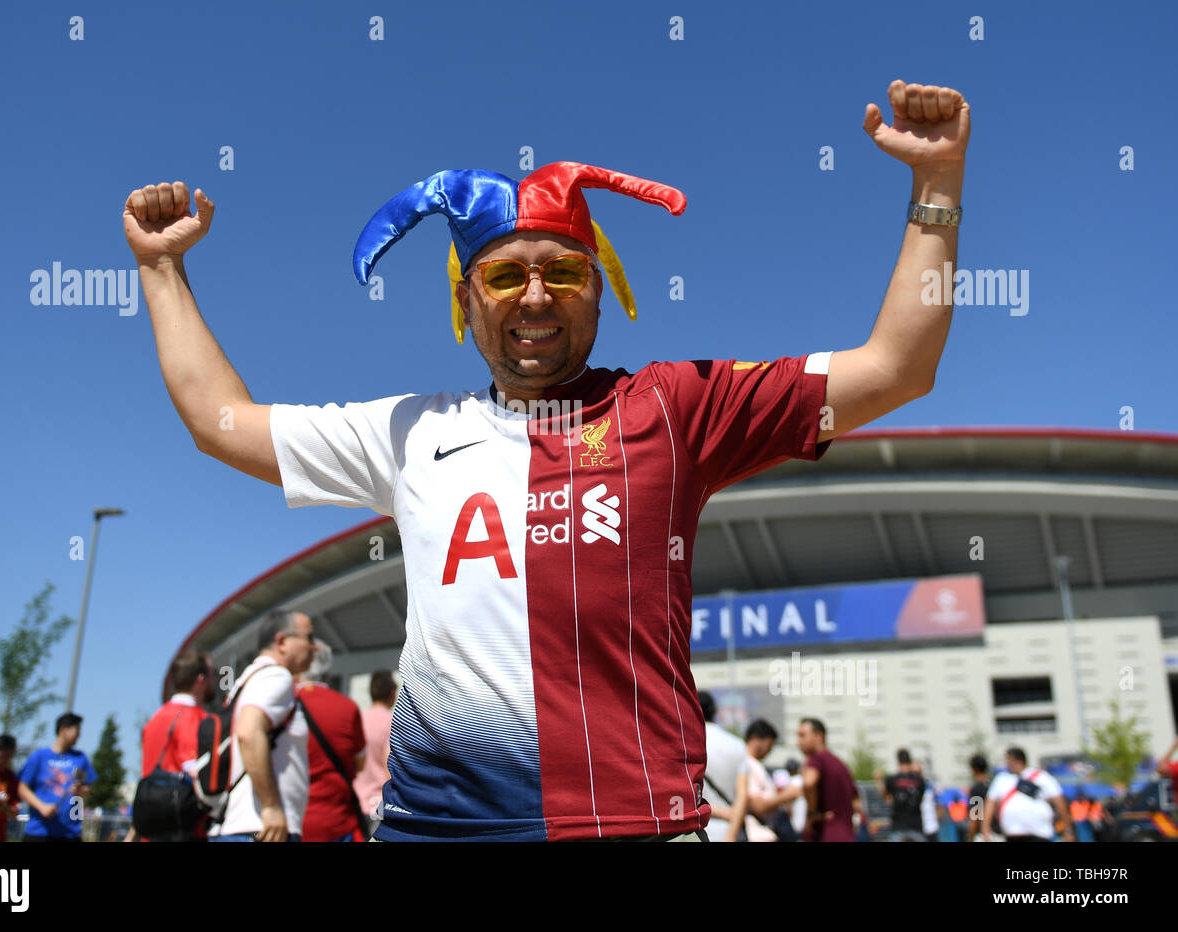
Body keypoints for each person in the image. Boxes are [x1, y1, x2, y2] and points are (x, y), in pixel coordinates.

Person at [126, 79, 969, 840]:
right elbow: (220, 421)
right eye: (505, 278)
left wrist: (936, 185)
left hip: (630, 824)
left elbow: (898, 366)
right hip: (433, 828)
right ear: (465, 299)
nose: (535, 296)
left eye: (564, 272)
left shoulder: (675, 408)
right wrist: (162, 271)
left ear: (600, 288)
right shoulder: (411, 431)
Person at [211, 610, 315, 843]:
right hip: (262, 829)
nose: (314, 647)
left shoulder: (246, 680)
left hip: (240, 826)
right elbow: (248, 732)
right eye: (309, 637)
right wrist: (271, 806)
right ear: (282, 641)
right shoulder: (276, 677)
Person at [127, 649, 217, 842]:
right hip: (183, 828)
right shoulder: (194, 717)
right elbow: (194, 771)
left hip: (152, 827)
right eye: (212, 675)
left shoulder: (155, 718)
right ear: (200, 681)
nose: (214, 681)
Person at [296, 643, 368, 842]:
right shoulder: (348, 707)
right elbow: (360, 763)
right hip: (339, 823)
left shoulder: (286, 705)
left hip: (295, 822)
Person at [17, 712, 96, 842]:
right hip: (39, 831)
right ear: (63, 730)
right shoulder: (39, 757)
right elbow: (22, 788)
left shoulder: (80, 759)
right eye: (77, 730)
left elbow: (86, 789)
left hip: (70, 832)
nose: (79, 735)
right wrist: (42, 807)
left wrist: (80, 790)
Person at [724, 719, 802, 842]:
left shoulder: (752, 764)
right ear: (756, 739)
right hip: (757, 834)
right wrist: (785, 796)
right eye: (769, 745)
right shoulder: (746, 764)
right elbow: (756, 805)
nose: (769, 750)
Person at [982, 747, 1074, 842]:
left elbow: (1059, 802)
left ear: (1019, 760)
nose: (1007, 763)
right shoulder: (1002, 779)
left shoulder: (1041, 777)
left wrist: (1068, 829)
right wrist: (985, 828)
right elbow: (990, 803)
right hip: (1013, 835)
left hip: (1040, 833)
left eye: (1009, 759)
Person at [797, 718, 859, 842]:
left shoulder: (816, 759)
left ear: (819, 736)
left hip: (826, 834)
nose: (798, 742)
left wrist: (812, 813)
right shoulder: (839, 763)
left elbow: (809, 783)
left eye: (802, 736)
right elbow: (856, 803)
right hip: (846, 834)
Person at [699, 691, 747, 841]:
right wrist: (731, 835)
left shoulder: (686, 745)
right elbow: (743, 795)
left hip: (698, 829)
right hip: (730, 828)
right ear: (715, 711)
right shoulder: (736, 744)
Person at [353, 669, 396, 827]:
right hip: (380, 804)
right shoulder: (391, 721)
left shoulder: (358, 718)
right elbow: (389, 765)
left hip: (356, 802)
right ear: (392, 693)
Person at [877, 749, 925, 841]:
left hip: (898, 826)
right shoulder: (919, 780)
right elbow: (921, 799)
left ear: (898, 761)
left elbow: (885, 798)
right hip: (916, 826)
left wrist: (878, 781)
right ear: (910, 761)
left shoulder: (892, 780)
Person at [966, 754, 989, 841]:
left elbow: (975, 815)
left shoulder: (977, 789)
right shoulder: (993, 785)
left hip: (982, 834)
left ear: (974, 768)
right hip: (997, 831)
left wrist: (970, 837)